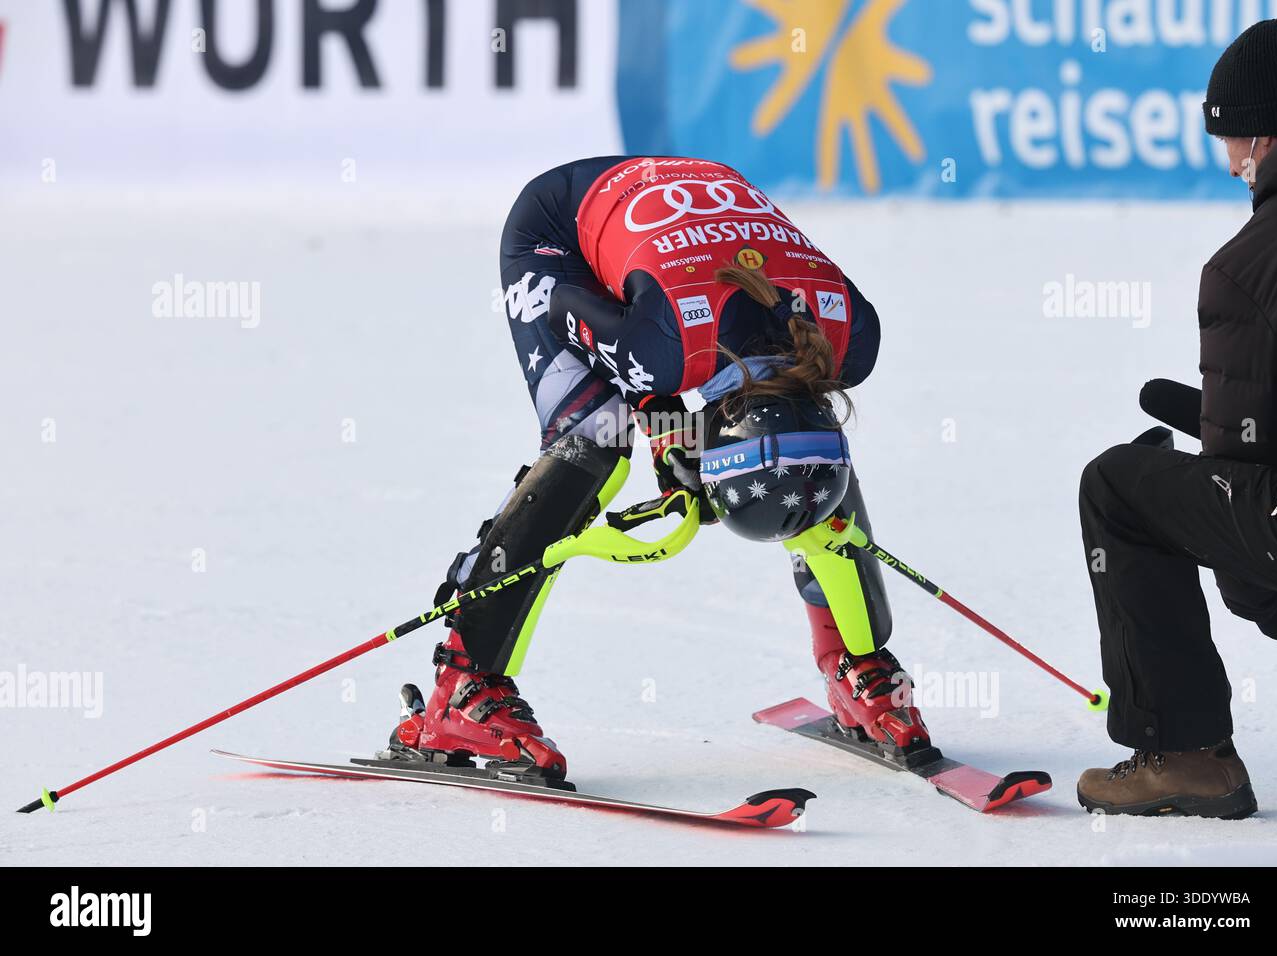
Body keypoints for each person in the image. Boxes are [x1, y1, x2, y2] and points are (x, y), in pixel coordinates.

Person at [380, 155, 927, 779]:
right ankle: (463, 686)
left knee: (802, 453)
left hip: (677, 230)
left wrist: (676, 438)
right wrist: (666, 432)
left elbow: (766, 410)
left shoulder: (854, 340)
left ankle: (856, 661)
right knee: (595, 437)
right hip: (559, 236)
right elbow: (578, 314)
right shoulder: (669, 348)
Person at [1076, 18, 1277, 819]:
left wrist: (1268, 595)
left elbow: (1246, 471)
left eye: (1232, 142)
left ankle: (1187, 754)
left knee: (1118, 486)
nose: (1231, 164)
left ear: (1261, 137)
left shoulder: (1252, 260)